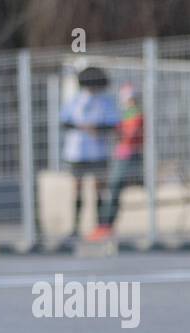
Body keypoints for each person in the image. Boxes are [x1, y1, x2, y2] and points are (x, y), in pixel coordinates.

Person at [60, 67, 119, 239]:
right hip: (77, 152)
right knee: (77, 190)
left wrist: (97, 129)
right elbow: (64, 121)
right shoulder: (75, 101)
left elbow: (113, 123)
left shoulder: (106, 101)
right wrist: (82, 127)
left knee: (99, 190)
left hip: (98, 152)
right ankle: (75, 227)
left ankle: (99, 226)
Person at [88, 83, 143, 242]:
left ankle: (105, 226)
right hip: (122, 156)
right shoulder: (126, 114)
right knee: (112, 191)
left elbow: (129, 135)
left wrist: (117, 130)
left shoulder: (135, 115)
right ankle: (105, 226)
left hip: (129, 157)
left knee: (113, 190)